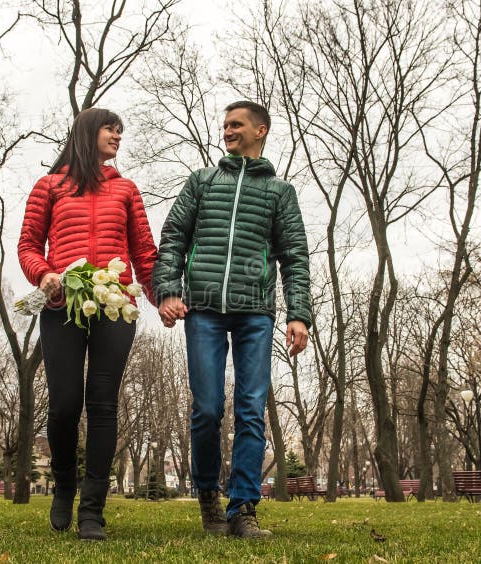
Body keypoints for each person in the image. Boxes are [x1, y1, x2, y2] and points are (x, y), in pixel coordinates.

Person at [152, 101, 311, 538]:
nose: (228, 131)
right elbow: (173, 239)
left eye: (236, 125)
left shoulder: (280, 193)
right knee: (206, 408)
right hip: (202, 308)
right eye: (224, 125)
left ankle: (243, 508)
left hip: (254, 313)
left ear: (261, 130)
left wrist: (299, 314)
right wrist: (167, 289)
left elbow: (295, 257)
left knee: (251, 410)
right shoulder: (202, 181)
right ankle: (208, 497)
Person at [18, 108, 157, 541]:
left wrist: (163, 296)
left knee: (103, 404)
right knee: (63, 404)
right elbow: (27, 245)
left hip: (114, 306)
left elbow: (144, 252)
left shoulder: (127, 190)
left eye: (121, 131)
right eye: (110, 128)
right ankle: (64, 484)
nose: (118, 135)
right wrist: (43, 274)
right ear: (87, 132)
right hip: (63, 305)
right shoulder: (50, 186)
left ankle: (92, 510)